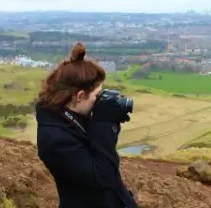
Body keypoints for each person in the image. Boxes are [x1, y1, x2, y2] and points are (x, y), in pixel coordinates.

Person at [35, 42, 138, 208]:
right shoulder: (55, 140)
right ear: (80, 96)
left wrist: (111, 119)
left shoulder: (70, 118)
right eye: (97, 96)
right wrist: (104, 124)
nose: (100, 101)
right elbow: (103, 177)